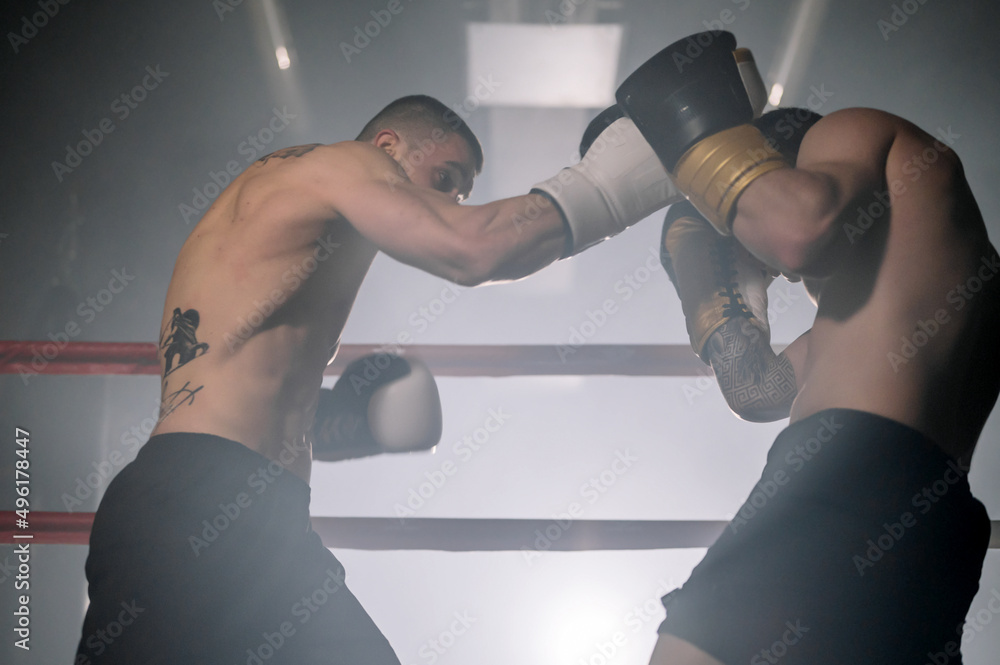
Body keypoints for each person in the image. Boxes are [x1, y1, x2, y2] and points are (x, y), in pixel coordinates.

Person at [74, 92, 690, 664]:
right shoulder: (340, 165)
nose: (450, 201)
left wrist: (341, 424)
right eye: (443, 179)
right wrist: (647, 164)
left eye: (460, 192)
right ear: (390, 147)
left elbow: (240, 369)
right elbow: (473, 249)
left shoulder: (287, 214)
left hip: (251, 512)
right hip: (196, 506)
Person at [617, 32, 1000, 665]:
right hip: (935, 528)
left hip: (846, 475)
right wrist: (710, 288)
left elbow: (796, 231)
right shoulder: (928, 294)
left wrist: (697, 162)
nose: (781, 274)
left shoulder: (856, 131)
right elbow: (757, 391)